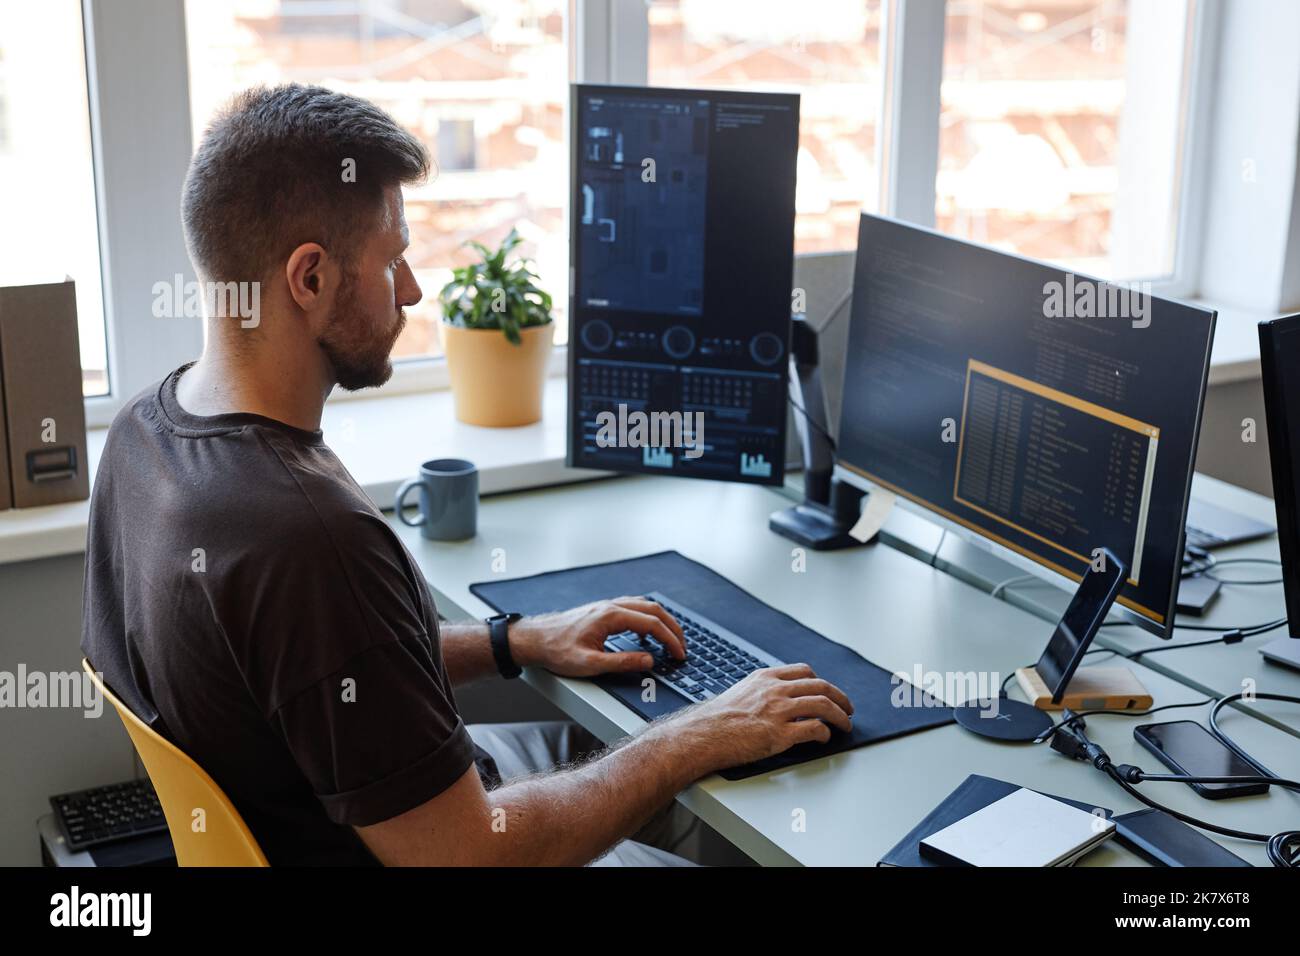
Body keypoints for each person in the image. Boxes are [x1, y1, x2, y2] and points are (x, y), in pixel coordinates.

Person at [81, 84, 853, 866]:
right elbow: (469, 854)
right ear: (308, 279)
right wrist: (691, 736)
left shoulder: (145, 433)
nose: (413, 290)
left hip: (368, 812)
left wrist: (513, 641)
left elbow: (321, 673)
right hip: (444, 844)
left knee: (653, 777)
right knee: (683, 776)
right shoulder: (307, 538)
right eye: (394, 259)